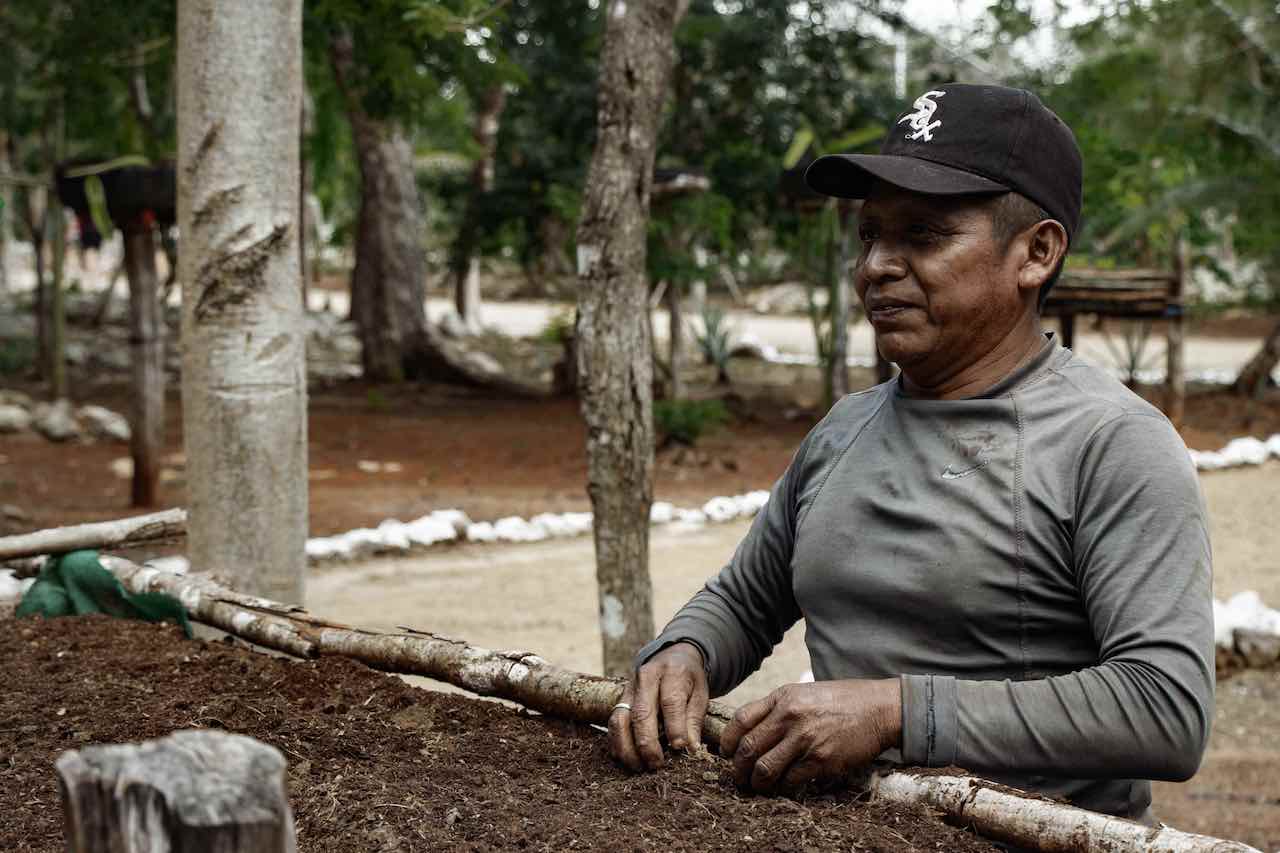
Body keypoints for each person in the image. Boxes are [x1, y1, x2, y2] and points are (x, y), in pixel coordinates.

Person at [608, 83, 1214, 822]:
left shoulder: (1112, 442)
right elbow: (747, 597)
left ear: (1036, 253)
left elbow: (1164, 709)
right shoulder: (845, 427)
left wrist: (896, 713)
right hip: (847, 831)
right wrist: (685, 651)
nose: (875, 267)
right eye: (870, 235)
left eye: (922, 235)